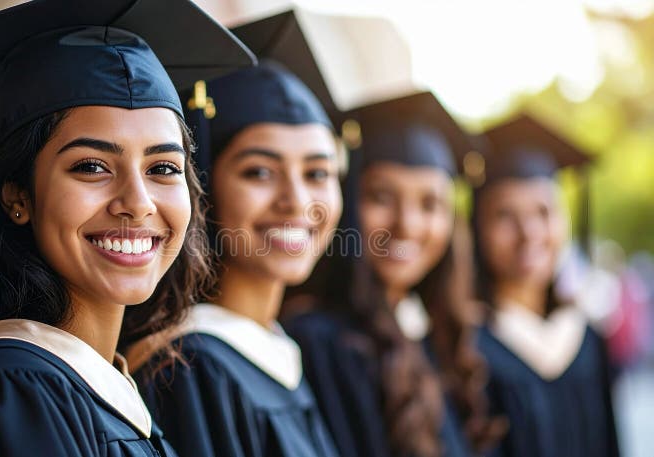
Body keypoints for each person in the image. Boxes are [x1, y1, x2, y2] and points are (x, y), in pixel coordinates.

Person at [0, 1, 255, 455]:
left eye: (163, 168)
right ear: (17, 196)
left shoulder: (103, 387)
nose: (138, 203)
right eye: (91, 166)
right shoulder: (8, 394)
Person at [126, 10, 342, 457]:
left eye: (318, 172)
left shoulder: (279, 353)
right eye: (259, 172)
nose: (297, 201)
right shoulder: (189, 369)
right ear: (200, 186)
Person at [285, 92, 506, 457]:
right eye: (383, 198)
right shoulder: (322, 342)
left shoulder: (442, 335)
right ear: (348, 205)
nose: (407, 225)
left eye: (430, 204)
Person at [471, 115, 620, 457]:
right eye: (505, 216)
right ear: (477, 228)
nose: (530, 233)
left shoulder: (587, 338)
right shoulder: (465, 347)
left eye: (544, 211)